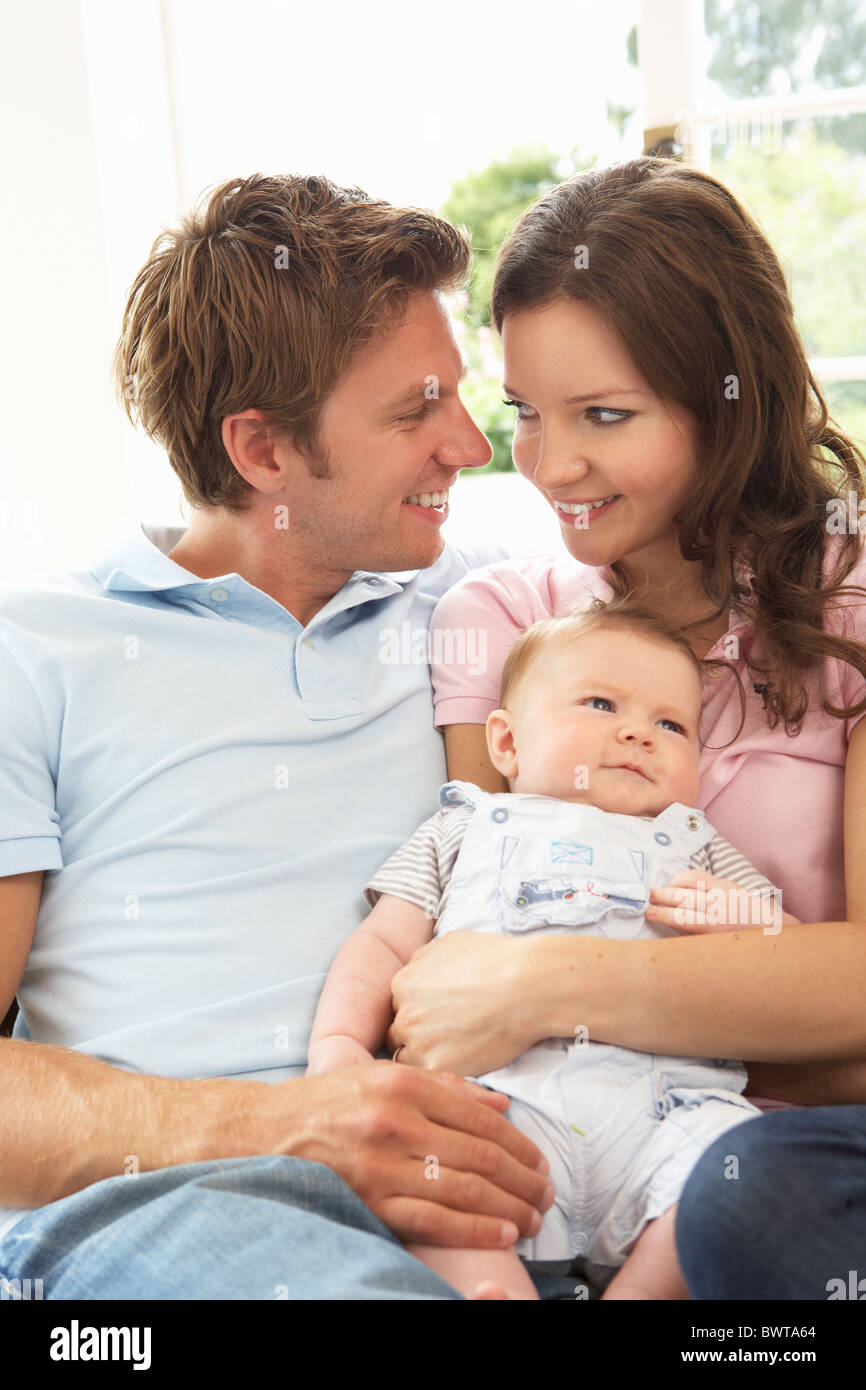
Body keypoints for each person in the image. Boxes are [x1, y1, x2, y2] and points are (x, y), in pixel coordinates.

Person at [0, 173, 558, 1302]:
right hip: (171, 1210)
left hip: (485, 1195)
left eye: (459, 397)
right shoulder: (34, 651)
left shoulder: (484, 617)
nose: (470, 446)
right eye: (414, 412)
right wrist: (289, 1122)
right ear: (262, 451)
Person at [384, 157, 866, 1298]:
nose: (549, 467)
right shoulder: (496, 622)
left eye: (603, 415)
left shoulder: (849, 602)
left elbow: (508, 981)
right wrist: (784, 989)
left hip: (784, 1174)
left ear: (727, 393)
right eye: (525, 415)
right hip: (551, 1151)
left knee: (751, 1204)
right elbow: (463, 961)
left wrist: (550, 982)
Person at [310, 600, 804, 1299]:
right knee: (431, 1181)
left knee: (742, 1171)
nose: (638, 732)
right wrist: (338, 1048)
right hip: (496, 1107)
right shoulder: (463, 825)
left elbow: (795, 962)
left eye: (671, 724)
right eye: (601, 703)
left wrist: (748, 922)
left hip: (670, 1118)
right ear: (506, 745)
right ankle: (492, 1288)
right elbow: (385, 940)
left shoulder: (699, 844)